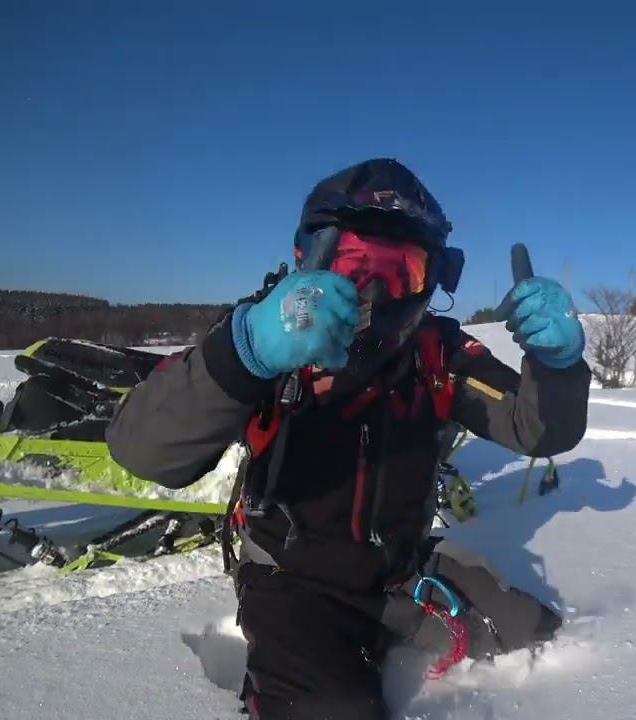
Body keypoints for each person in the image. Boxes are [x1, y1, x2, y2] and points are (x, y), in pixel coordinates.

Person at [106, 158, 589, 719]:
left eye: (403, 271)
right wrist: (246, 354)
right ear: (310, 257)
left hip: (403, 572)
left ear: (433, 280)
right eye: (356, 265)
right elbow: (140, 448)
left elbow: (535, 429)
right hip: (293, 580)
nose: (377, 293)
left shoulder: (437, 354)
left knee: (545, 639)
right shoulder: (269, 336)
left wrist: (555, 368)